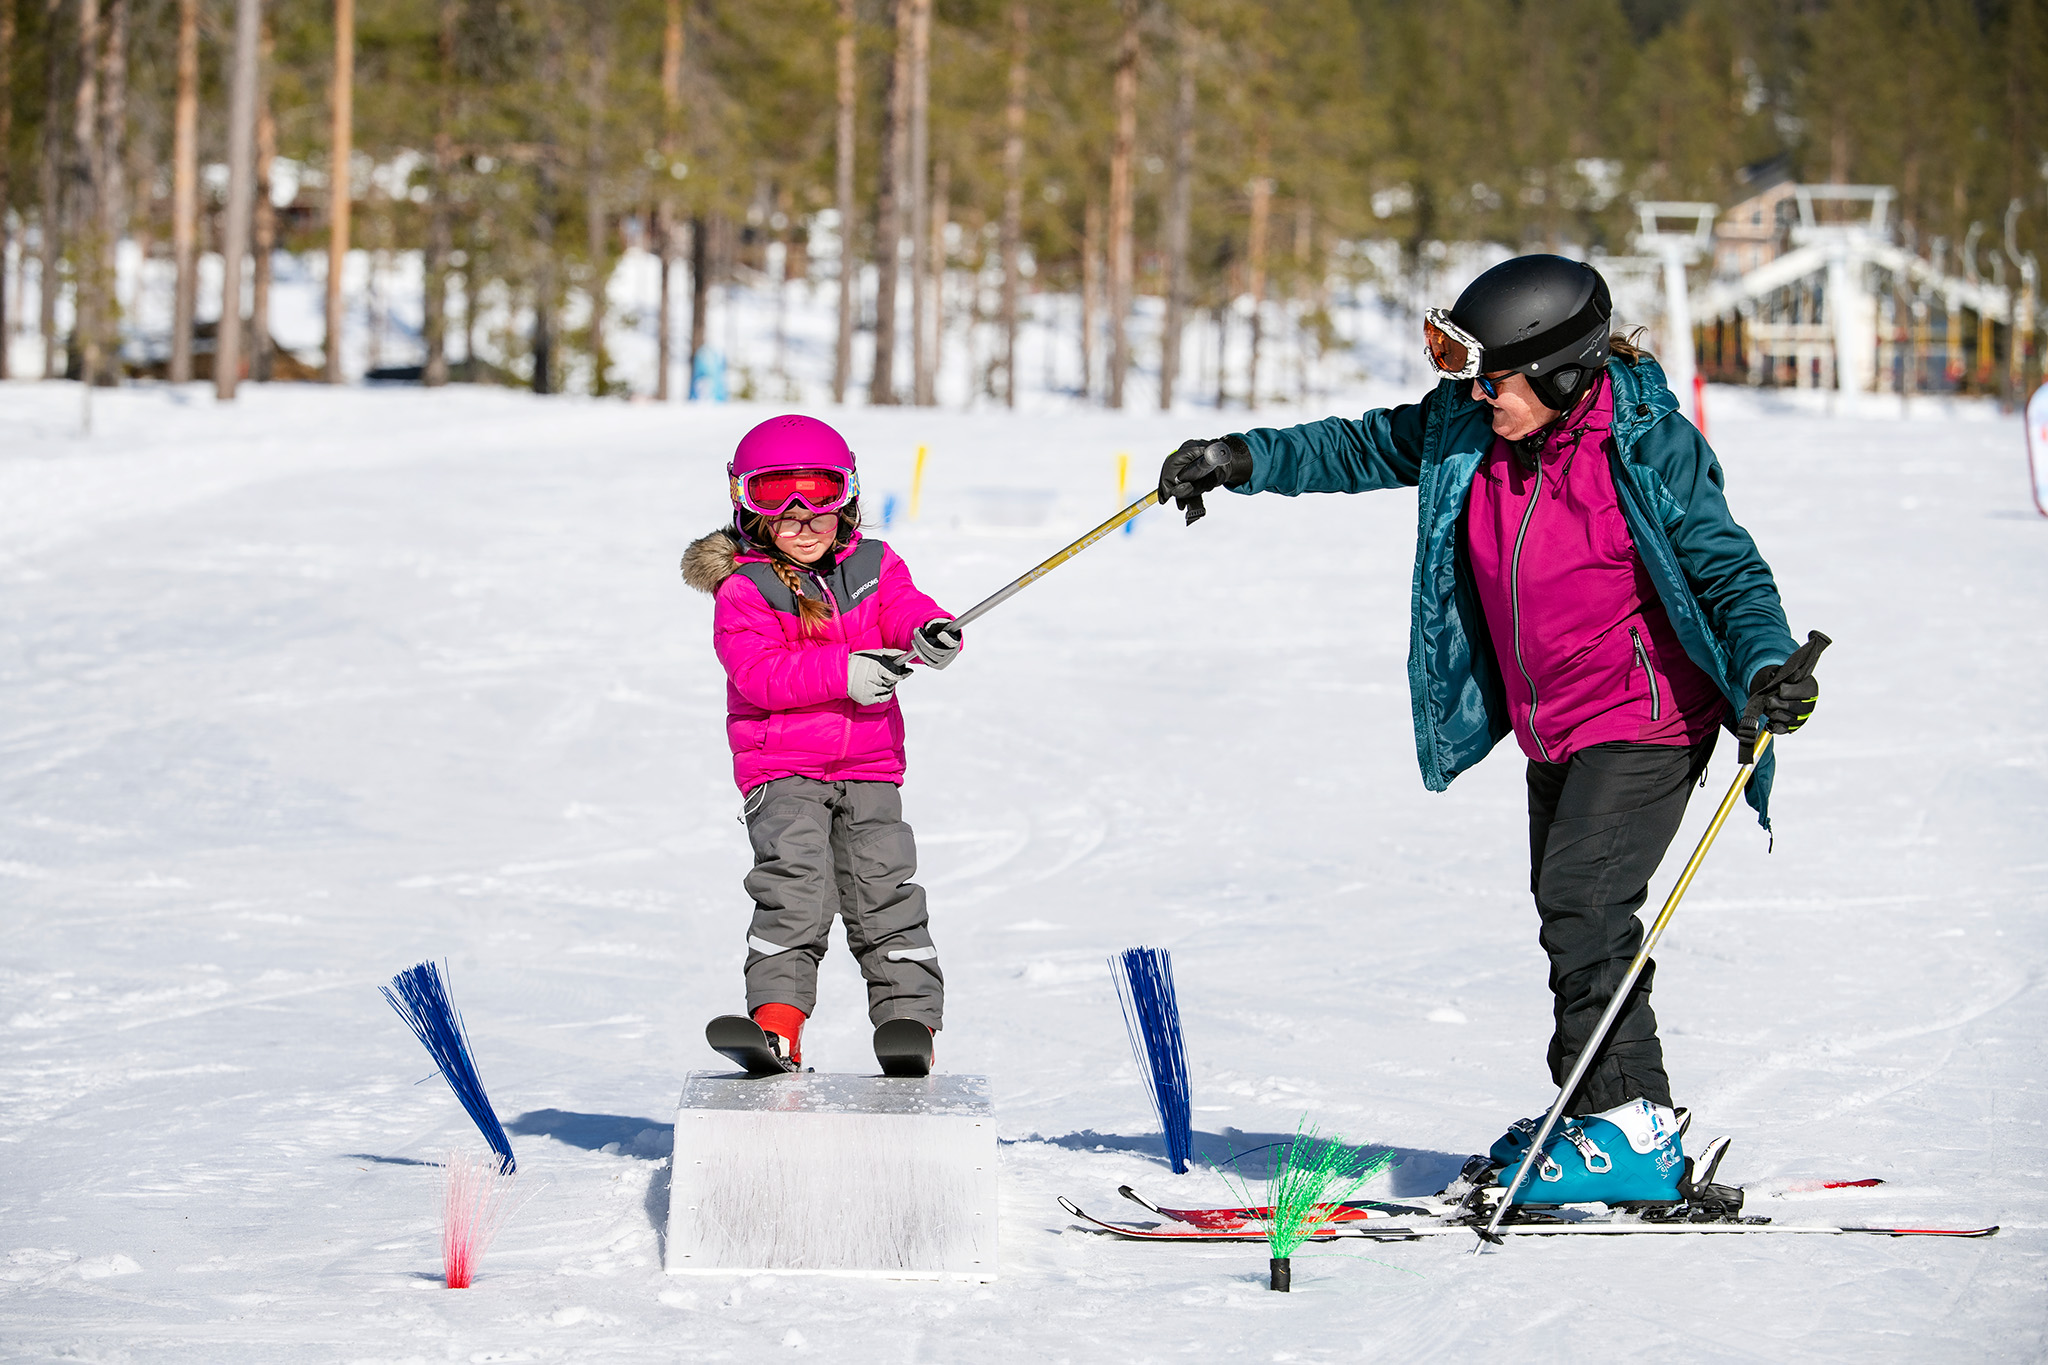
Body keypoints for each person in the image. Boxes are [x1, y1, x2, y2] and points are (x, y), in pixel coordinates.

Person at [1158, 255, 1821, 1205]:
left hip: (1646, 717)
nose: (1476, 394)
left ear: (1559, 374)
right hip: (1552, 724)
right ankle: (1601, 1113)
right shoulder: (1473, 427)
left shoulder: (1645, 446)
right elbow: (1360, 445)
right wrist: (1242, 458)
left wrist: (1765, 666)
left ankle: (1637, 1125)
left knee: (1584, 901)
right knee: (1572, 919)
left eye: (1495, 378)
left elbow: (1730, 572)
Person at [681, 414, 962, 1074]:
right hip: (782, 772)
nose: (802, 518)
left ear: (849, 497)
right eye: (778, 500)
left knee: (885, 894)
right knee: (795, 892)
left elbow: (904, 605)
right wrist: (847, 671)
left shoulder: (874, 564)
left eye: (819, 498)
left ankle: (908, 1025)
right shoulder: (744, 590)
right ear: (749, 509)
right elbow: (759, 673)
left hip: (869, 768)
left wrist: (930, 632)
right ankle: (776, 1027)